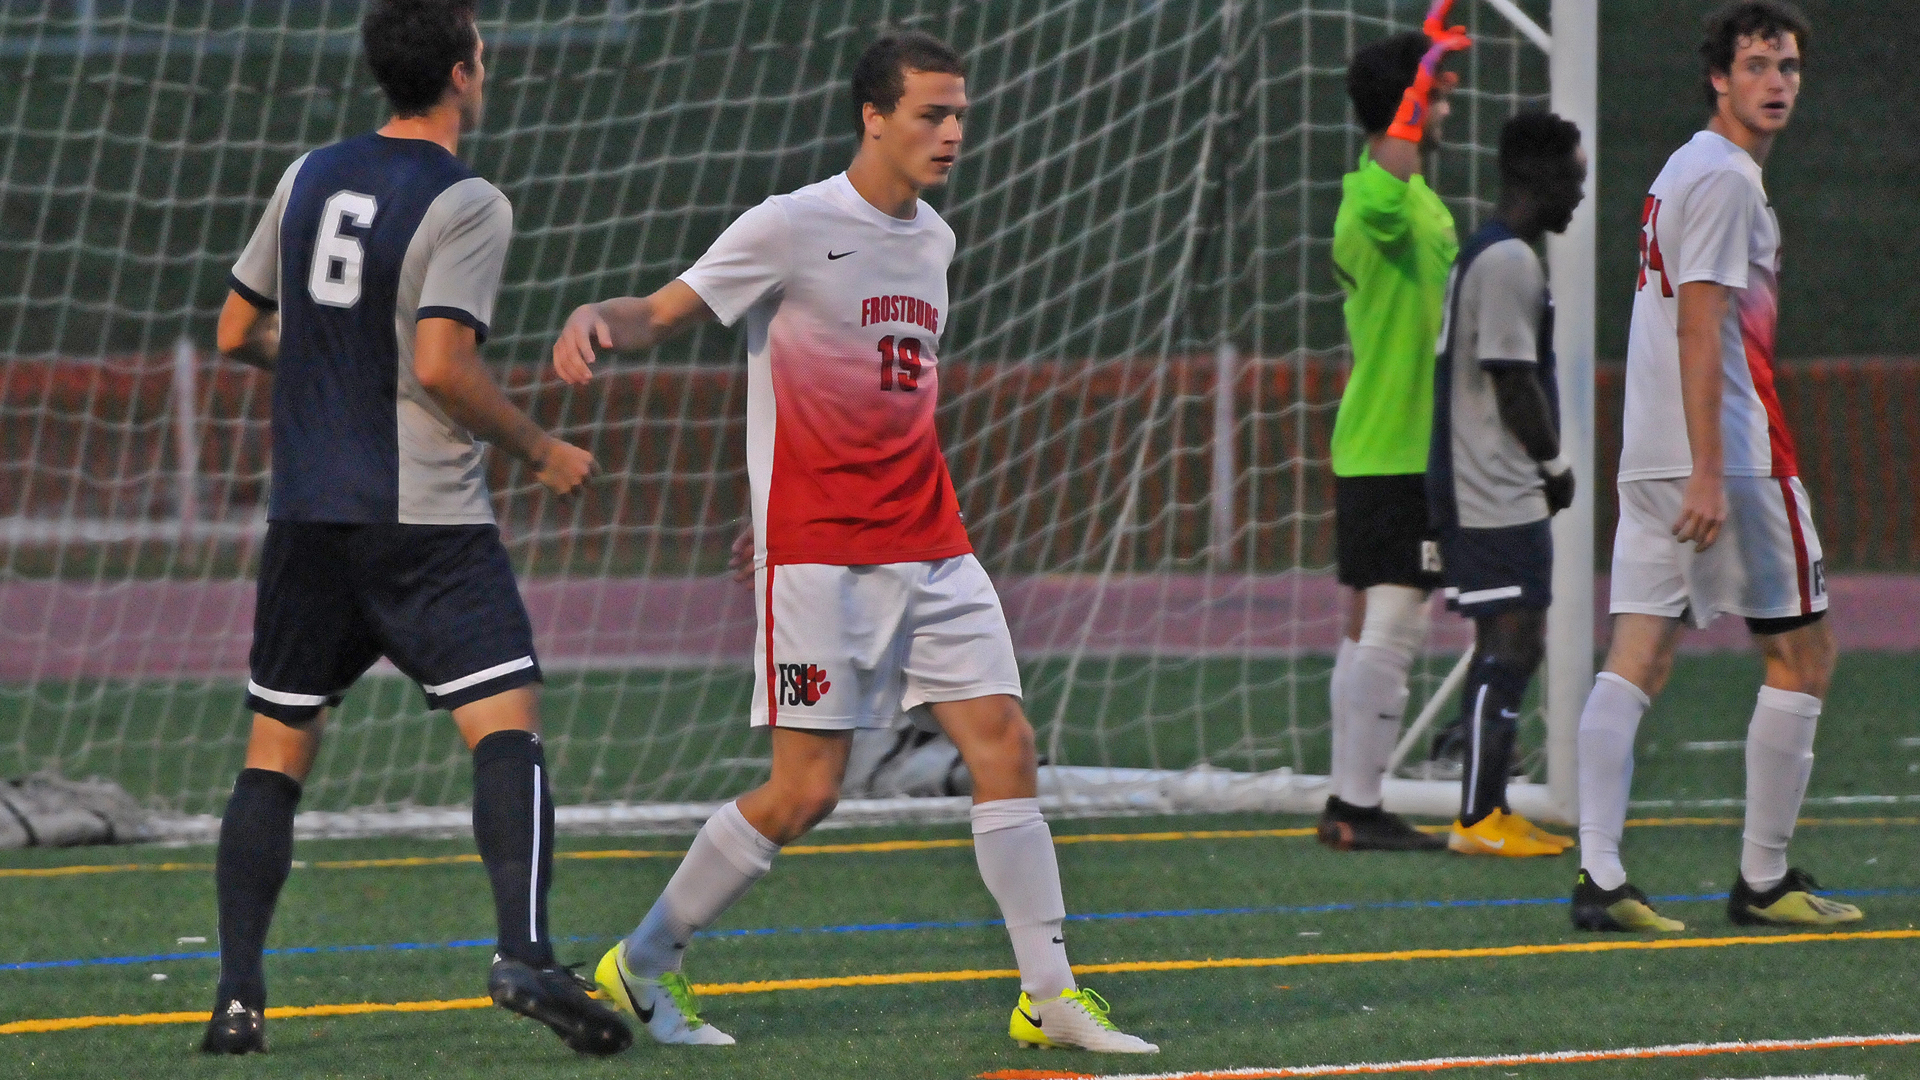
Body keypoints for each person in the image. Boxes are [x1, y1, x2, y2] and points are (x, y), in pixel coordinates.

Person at [548, 32, 1157, 1054]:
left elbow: (888, 394)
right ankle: (641, 963)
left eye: (961, 113)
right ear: (874, 117)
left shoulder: (938, 243)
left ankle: (1047, 993)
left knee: (1005, 743)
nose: (954, 132)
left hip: (933, 538)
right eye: (932, 113)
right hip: (819, 555)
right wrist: (594, 318)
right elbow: (659, 313)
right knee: (807, 791)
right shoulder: (789, 226)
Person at [201, 0, 628, 1056]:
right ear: (460, 73)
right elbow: (442, 364)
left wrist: (333, 361)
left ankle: (238, 1000)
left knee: (274, 756)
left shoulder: (307, 175)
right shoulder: (468, 199)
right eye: (482, 51)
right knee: (507, 727)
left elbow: (236, 330)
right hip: (424, 516)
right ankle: (525, 952)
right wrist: (541, 449)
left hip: (305, 511)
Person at [1572, 0, 1860, 932]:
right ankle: (1764, 880)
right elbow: (1703, 322)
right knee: (1803, 653)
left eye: (1789, 67)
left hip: (1651, 449)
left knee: (1638, 658)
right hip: (1730, 459)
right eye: (1758, 65)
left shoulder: (1678, 170)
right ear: (1718, 76)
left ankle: (1601, 877)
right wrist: (1709, 469)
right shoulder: (1730, 179)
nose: (1777, 82)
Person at [1318, 1, 1469, 853]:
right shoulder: (1375, 199)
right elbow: (1389, 174)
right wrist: (1414, 86)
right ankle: (1357, 804)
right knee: (1397, 622)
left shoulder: (1408, 198)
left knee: (1372, 623)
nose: (1446, 109)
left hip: (1396, 444)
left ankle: (1351, 799)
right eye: (1436, 98)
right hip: (1394, 448)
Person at [1427, 112, 1585, 858]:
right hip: (1490, 483)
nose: (1581, 191)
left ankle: (1491, 807)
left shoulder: (1495, 255)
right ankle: (1478, 816)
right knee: (1512, 643)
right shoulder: (1508, 261)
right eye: (1575, 175)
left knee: (1513, 641)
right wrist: (1554, 465)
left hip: (1488, 482)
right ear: (1540, 177)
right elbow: (1512, 380)